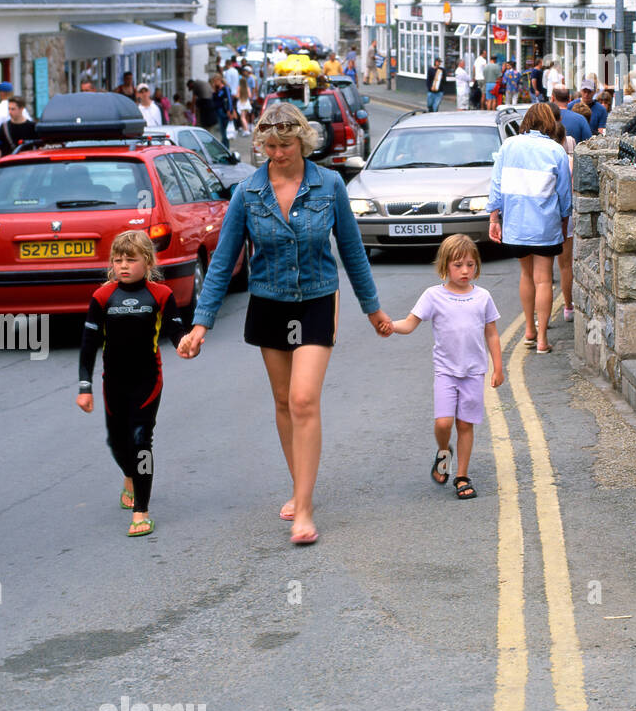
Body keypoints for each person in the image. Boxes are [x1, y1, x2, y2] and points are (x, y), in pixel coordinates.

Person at [176, 102, 394, 545]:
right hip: (269, 301)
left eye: (285, 145)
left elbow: (351, 251)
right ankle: (299, 487)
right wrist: (202, 324)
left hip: (316, 298)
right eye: (269, 146)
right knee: (282, 401)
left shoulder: (330, 185)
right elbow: (222, 262)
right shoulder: (247, 194)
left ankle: (306, 508)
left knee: (302, 399)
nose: (277, 153)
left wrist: (373, 309)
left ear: (303, 141)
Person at [77, 231, 190, 538]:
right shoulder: (102, 297)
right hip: (112, 381)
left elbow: (175, 331)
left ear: (148, 261)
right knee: (116, 442)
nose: (123, 265)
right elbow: (89, 344)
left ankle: (141, 510)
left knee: (141, 440)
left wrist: (184, 344)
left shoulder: (160, 295)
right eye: (117, 259)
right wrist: (84, 386)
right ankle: (129, 474)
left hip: (147, 380)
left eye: (131, 259)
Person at [387, 235, 503, 501]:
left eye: (470, 265)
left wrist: (498, 368)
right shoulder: (433, 296)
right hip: (446, 371)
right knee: (443, 422)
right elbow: (409, 323)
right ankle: (444, 452)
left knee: (465, 424)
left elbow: (492, 334)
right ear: (445, 266)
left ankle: (461, 476)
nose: (465, 271)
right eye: (458, 265)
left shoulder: (483, 297)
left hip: (474, 372)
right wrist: (390, 326)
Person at [486, 102, 573, 356]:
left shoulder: (508, 146)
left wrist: (494, 218)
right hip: (545, 224)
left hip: (516, 225)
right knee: (544, 279)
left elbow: (496, 184)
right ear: (549, 123)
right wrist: (564, 219)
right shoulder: (555, 150)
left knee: (526, 276)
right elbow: (564, 194)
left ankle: (528, 330)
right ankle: (543, 339)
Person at [0, 96, 37, 160]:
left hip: (27, 163)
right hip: (8, 164)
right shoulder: (4, 127)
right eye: (9, 109)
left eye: (13, 109)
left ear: (21, 109)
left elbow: (39, 147)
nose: (10, 112)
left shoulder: (32, 127)